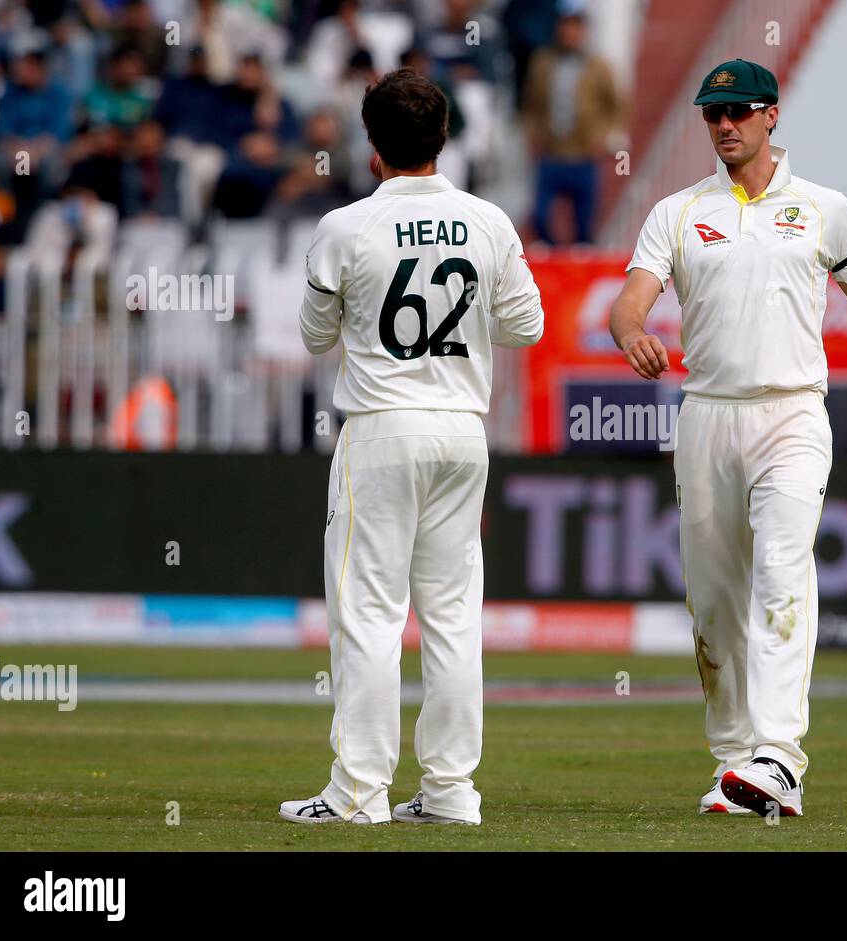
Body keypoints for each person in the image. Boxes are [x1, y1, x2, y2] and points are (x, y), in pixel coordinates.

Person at [608, 59, 847, 818]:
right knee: (712, 603)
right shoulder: (678, 210)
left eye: (738, 110)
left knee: (781, 571)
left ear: (772, 115)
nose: (724, 124)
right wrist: (634, 330)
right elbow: (627, 303)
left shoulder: (823, 208)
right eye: (713, 113)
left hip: (795, 414)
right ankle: (738, 765)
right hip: (706, 415)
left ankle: (779, 755)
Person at [280, 67, 544, 827]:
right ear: (445, 140)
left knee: (368, 612)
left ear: (372, 148)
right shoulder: (488, 221)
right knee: (454, 615)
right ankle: (453, 792)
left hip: (383, 428)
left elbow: (313, 335)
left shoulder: (346, 227)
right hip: (463, 429)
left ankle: (359, 792)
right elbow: (524, 325)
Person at [521, 6, 624, 245]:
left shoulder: (598, 65)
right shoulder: (542, 62)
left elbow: (617, 106)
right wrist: (533, 135)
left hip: (583, 153)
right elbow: (530, 104)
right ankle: (553, 261)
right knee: (541, 215)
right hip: (551, 152)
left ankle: (580, 267)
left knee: (584, 221)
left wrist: (604, 137)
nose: (569, 33)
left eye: (575, 27)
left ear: (583, 31)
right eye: (565, 27)